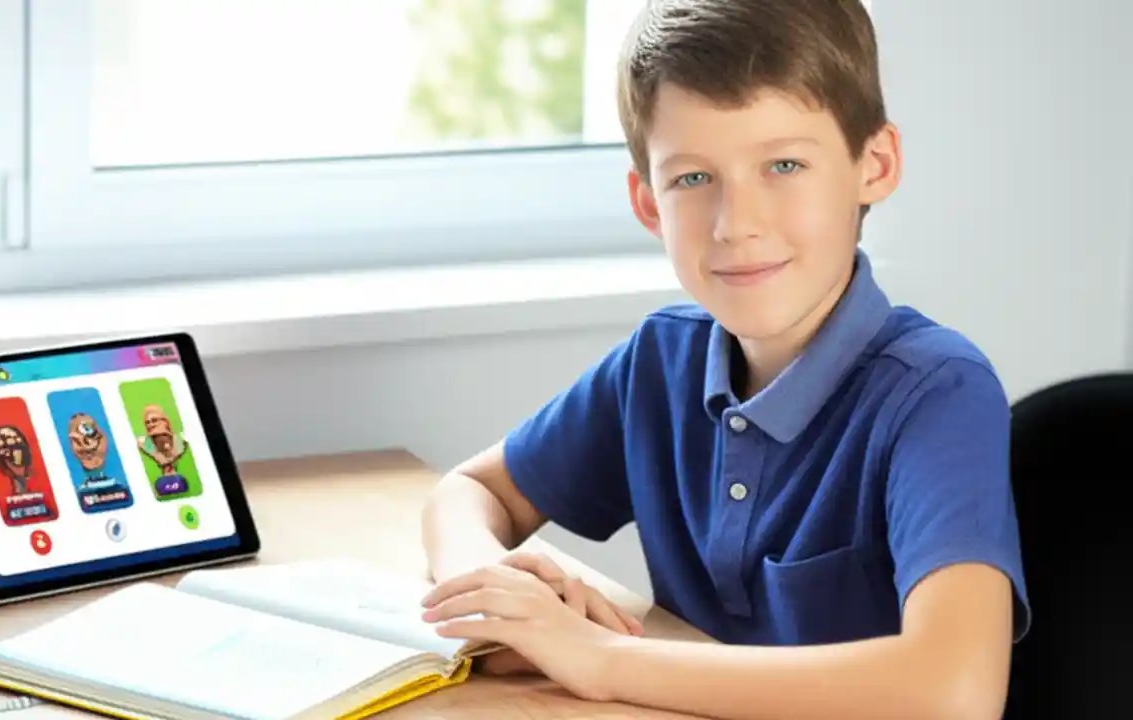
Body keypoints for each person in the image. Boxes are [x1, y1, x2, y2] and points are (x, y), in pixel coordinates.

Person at [419, 1, 1030, 717]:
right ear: (648, 203)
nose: (737, 224)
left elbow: (954, 691)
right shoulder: (661, 362)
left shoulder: (936, 393)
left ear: (875, 165)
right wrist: (501, 596)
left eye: (784, 164)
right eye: (692, 179)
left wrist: (606, 660)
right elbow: (468, 492)